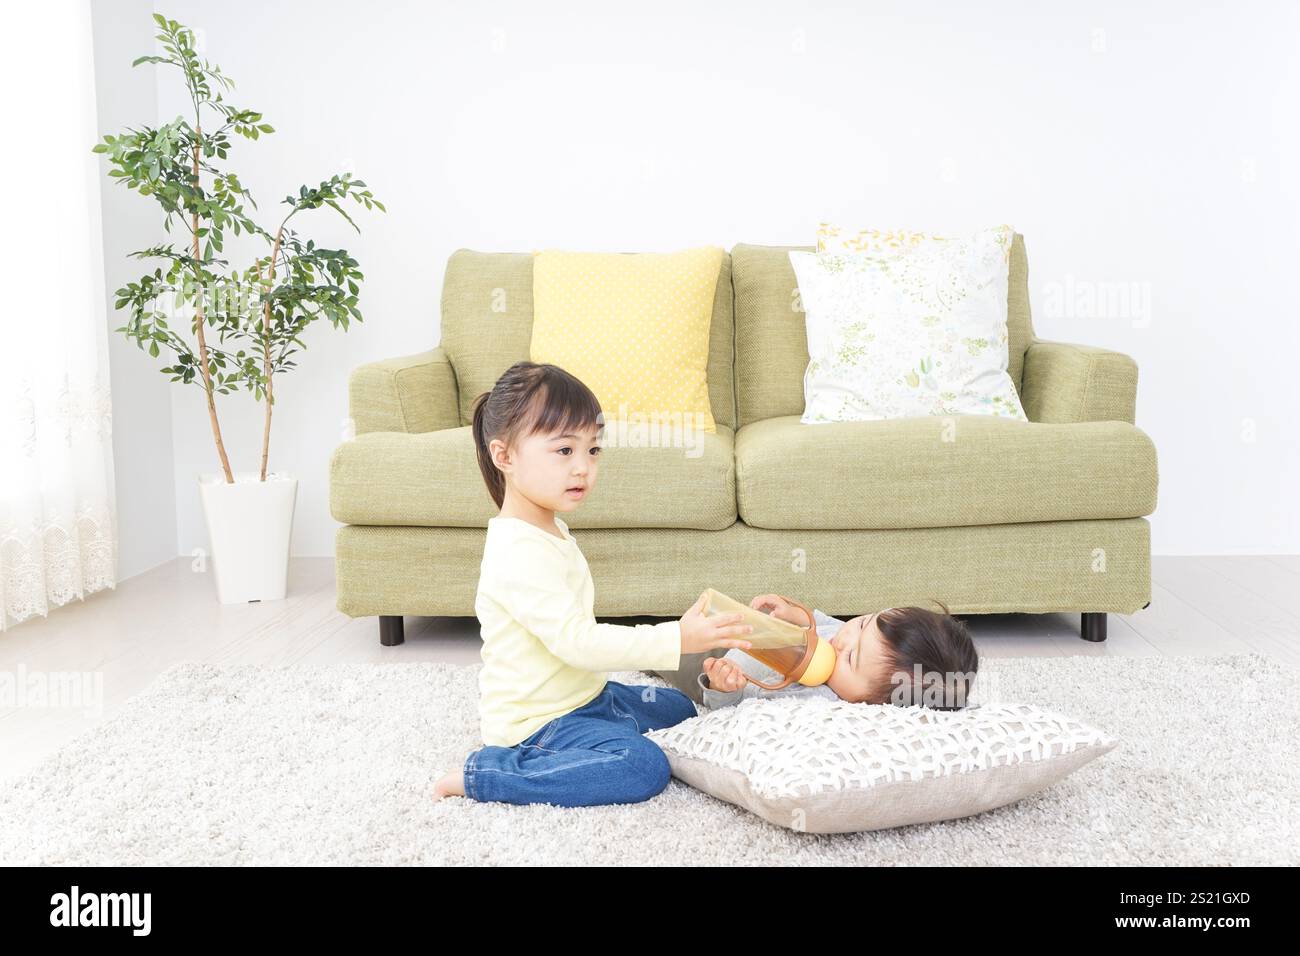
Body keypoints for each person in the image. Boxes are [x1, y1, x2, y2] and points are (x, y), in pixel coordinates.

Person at [432, 361, 753, 807]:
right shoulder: (518, 550)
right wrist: (676, 637)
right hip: (538, 724)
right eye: (564, 451)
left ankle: (601, 732)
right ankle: (488, 773)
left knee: (677, 709)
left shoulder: (551, 529)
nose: (583, 467)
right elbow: (577, 643)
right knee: (641, 767)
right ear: (504, 456)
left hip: (585, 697)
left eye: (593, 450)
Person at [699, 594, 979, 711]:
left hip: (720, 666)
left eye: (850, 658)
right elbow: (827, 625)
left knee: (676, 653)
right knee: (701, 613)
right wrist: (797, 615)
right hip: (746, 632)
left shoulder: (818, 703)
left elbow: (736, 714)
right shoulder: (843, 636)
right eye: (863, 623)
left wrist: (723, 689)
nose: (843, 639)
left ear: (870, 705)